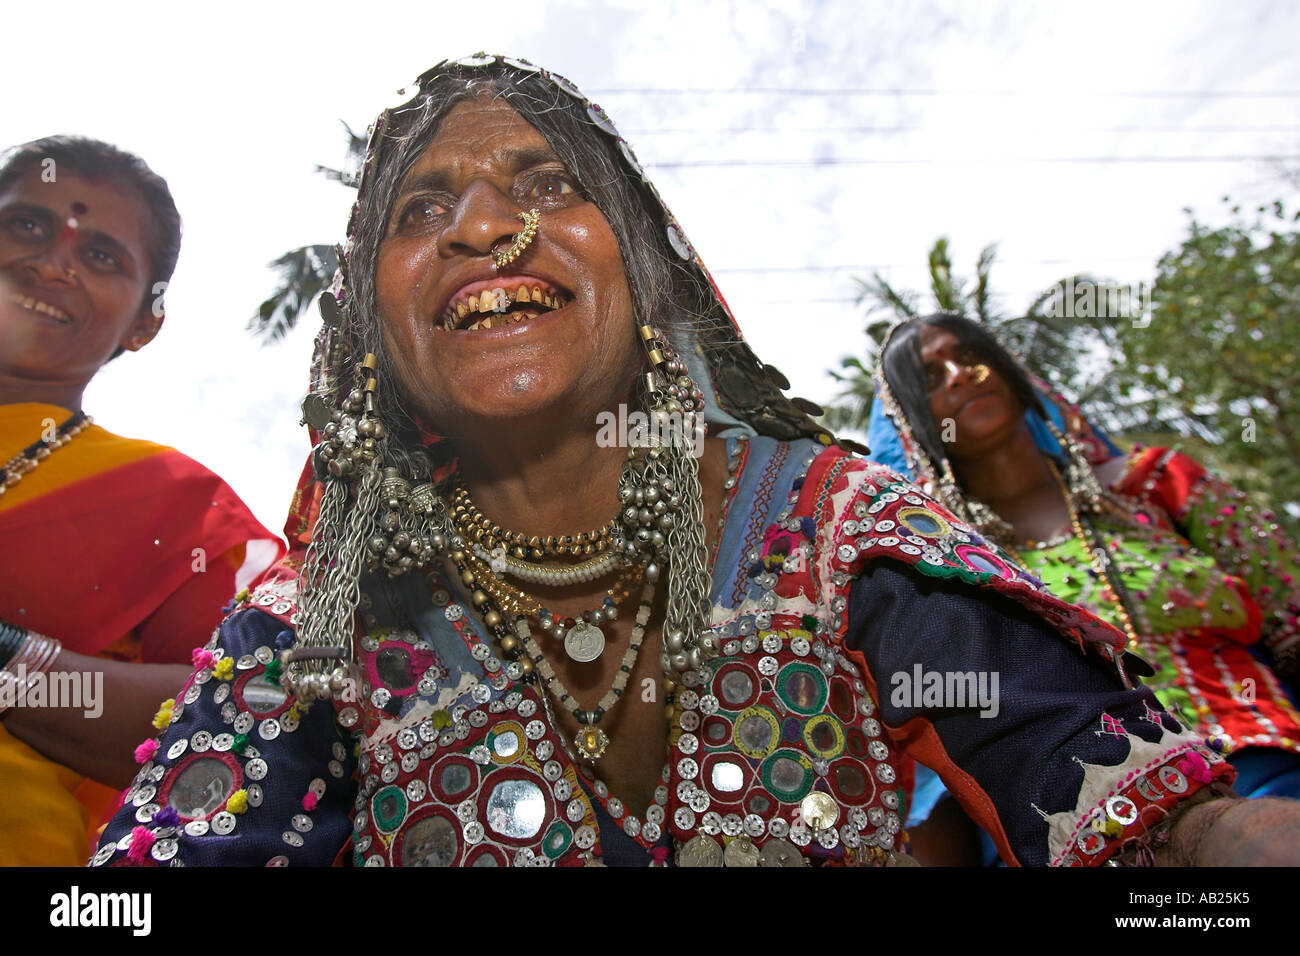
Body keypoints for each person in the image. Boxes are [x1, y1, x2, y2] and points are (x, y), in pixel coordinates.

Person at [93, 57, 1295, 868]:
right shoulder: (320, 612)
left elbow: (1079, 770)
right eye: (419, 210)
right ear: (373, 325)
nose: (482, 227)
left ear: (648, 270)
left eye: (548, 184)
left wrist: (1224, 841)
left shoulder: (829, 525)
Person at [870, 314, 1300, 802]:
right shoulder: (949, 567)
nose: (960, 375)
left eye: (971, 356)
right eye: (931, 377)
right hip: (1091, 808)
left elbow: (1290, 616)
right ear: (913, 425)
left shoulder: (1157, 483)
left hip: (1264, 760)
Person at [0, 136, 283, 865]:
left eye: (101, 256)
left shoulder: (176, 505)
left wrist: (10, 663)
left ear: (143, 322)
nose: (52, 263)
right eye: (26, 224)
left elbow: (263, 710)